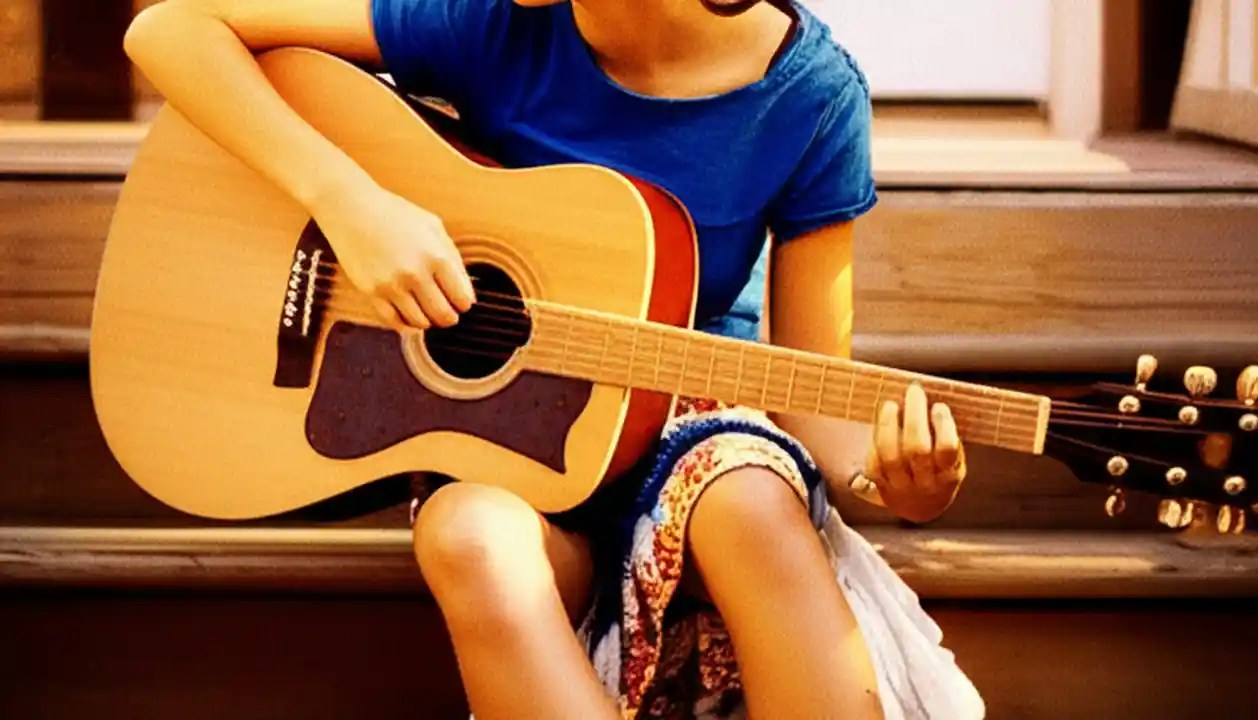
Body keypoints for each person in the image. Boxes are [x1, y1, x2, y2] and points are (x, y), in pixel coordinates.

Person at [124, 0, 984, 717]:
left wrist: (891, 482)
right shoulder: (495, 20)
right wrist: (350, 203)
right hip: (500, 434)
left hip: (697, 431)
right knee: (469, 539)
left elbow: (813, 396)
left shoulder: (812, 96)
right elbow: (169, 27)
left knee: (748, 500)